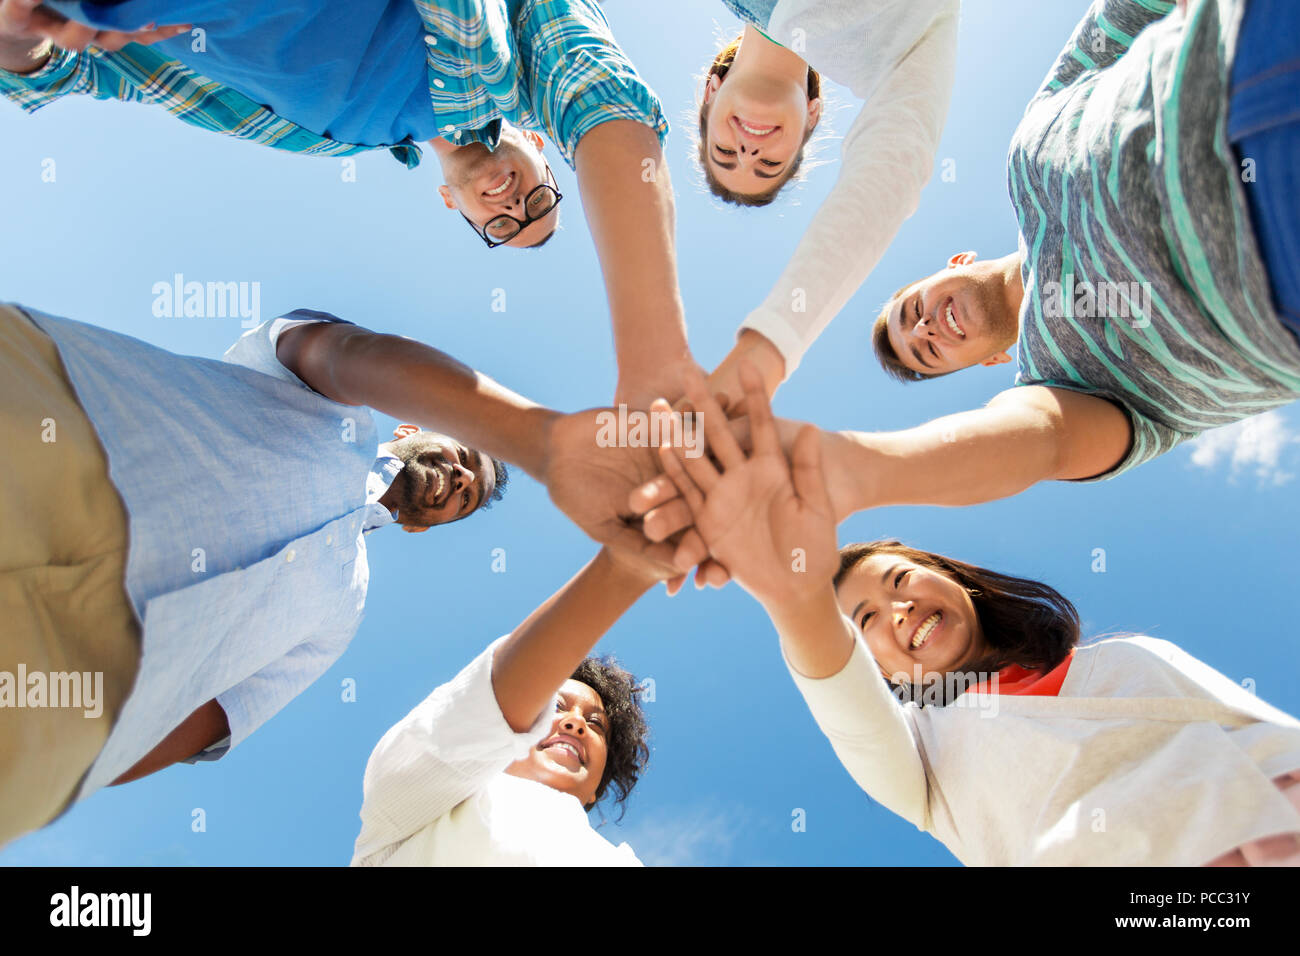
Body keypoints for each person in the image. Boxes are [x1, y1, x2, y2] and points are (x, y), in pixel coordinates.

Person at [0, 300, 689, 850]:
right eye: (460, 454)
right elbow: (348, 353)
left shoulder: (342, 608)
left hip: (66, 683)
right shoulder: (329, 402)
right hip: (53, 428)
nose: (456, 478)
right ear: (408, 427)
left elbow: (210, 720)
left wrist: (72, 765)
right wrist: (536, 440)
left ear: (425, 528)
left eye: (466, 496)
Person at [638, 0, 1300, 557]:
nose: (926, 327)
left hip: (1251, 46)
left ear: (949, 265)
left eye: (910, 313)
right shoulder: (1055, 383)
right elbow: (1041, 442)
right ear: (994, 362)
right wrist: (844, 473)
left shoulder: (1027, 153)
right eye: (928, 350)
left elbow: (1129, 12)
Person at [648, 364, 1300, 865]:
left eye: (902, 580)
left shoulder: (1127, 656)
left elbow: (1264, 732)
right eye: (868, 621)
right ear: (874, 668)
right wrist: (789, 584)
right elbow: (839, 692)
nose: (899, 608)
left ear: (954, 579)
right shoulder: (922, 756)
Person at [0, 0, 694, 405]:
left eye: (503, 226)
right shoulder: (503, 58)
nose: (511, 202)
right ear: (542, 147)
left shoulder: (318, 138)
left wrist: (20, 38)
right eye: (539, 198)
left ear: (455, 208)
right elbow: (591, 85)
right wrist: (655, 361)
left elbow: (87, 73)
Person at [698, 0, 961, 412]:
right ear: (812, 119)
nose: (749, 151)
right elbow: (892, 165)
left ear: (711, 93)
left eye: (726, 152)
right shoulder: (899, 47)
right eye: (769, 164)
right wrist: (772, 343)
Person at [351, 546, 659, 866]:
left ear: (596, 790)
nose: (576, 723)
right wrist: (623, 565)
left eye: (596, 725)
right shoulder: (420, 802)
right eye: (554, 706)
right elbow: (483, 707)